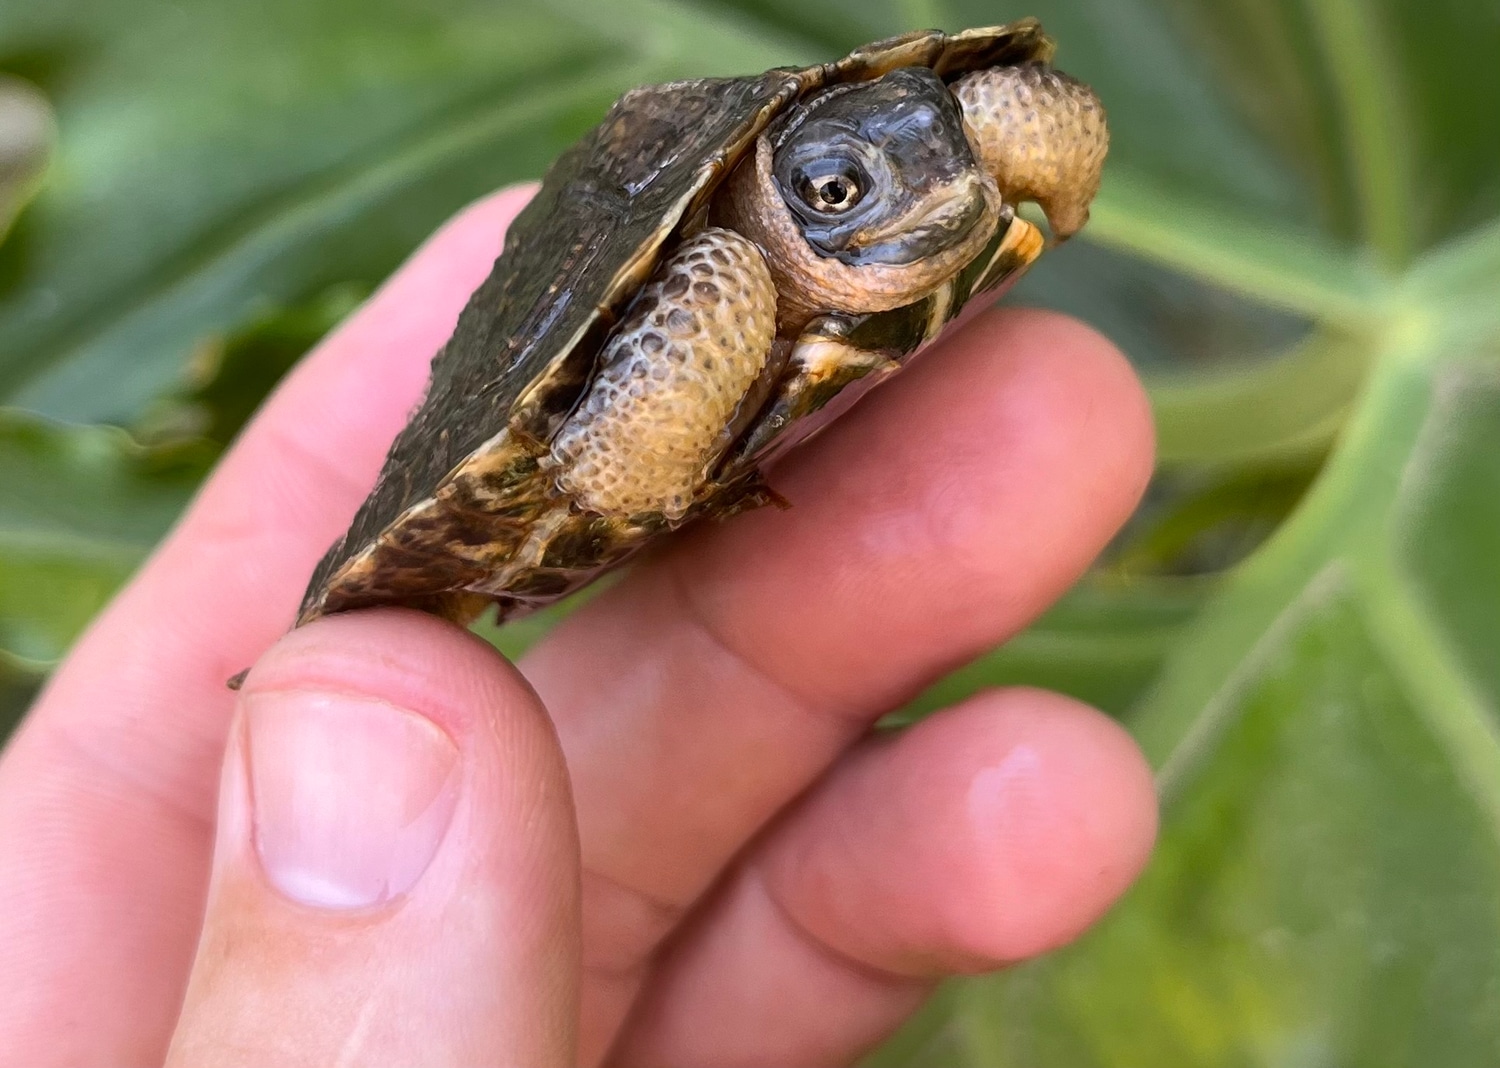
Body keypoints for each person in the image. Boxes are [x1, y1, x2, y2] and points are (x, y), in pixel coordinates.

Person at [0, 186, 1158, 1067]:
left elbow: (996, 115)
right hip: (578, 454)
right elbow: (703, 296)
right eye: (847, 183)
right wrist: (638, 458)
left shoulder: (938, 152)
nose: (924, 176)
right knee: (723, 280)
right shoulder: (729, 261)